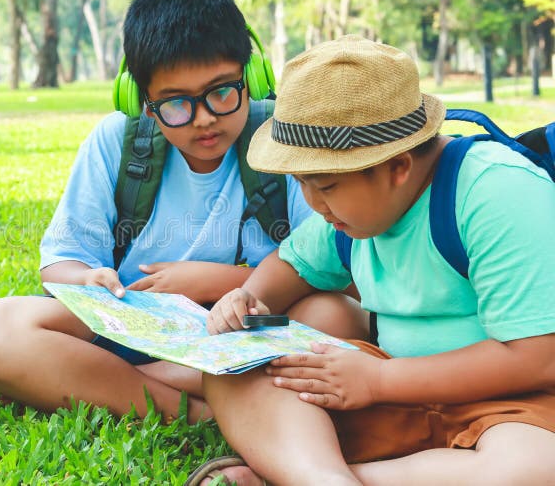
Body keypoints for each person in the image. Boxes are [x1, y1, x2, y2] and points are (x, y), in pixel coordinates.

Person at [0, 0, 366, 425]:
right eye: (176, 104)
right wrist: (89, 278)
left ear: (252, 76)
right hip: (129, 328)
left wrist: (216, 283)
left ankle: (113, 384)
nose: (205, 118)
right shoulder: (117, 142)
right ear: (143, 101)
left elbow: (337, 274)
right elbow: (62, 263)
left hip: (247, 332)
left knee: (336, 316)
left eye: (222, 92)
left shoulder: (283, 139)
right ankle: (197, 410)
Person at [189, 35, 555, 484]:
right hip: (380, 386)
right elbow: (292, 266)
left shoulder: (497, 192)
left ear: (397, 167)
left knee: (533, 468)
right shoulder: (344, 217)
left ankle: (302, 475)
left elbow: (537, 358)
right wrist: (246, 298)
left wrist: (380, 382)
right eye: (302, 183)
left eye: (324, 186)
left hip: (512, 402)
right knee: (238, 369)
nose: (313, 203)